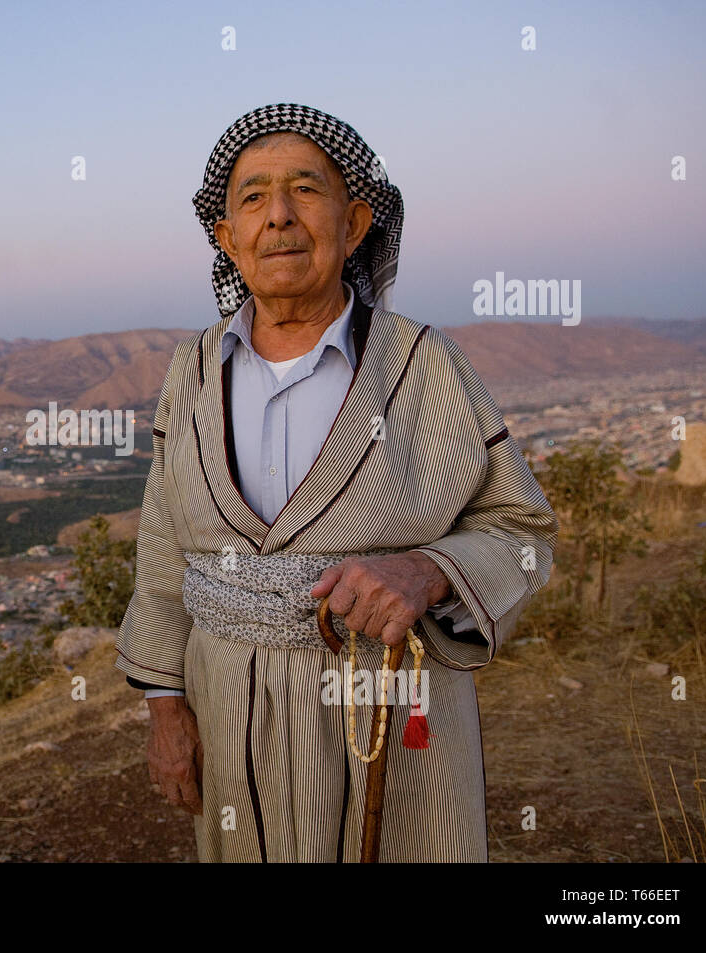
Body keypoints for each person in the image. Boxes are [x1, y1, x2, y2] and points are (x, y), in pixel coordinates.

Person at [117, 104, 558, 862]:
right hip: (229, 706)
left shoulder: (423, 364)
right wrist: (165, 708)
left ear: (354, 223)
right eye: (253, 197)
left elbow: (521, 532)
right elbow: (164, 552)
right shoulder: (190, 373)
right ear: (227, 238)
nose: (278, 216)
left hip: (387, 693)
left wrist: (427, 571)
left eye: (305, 191)